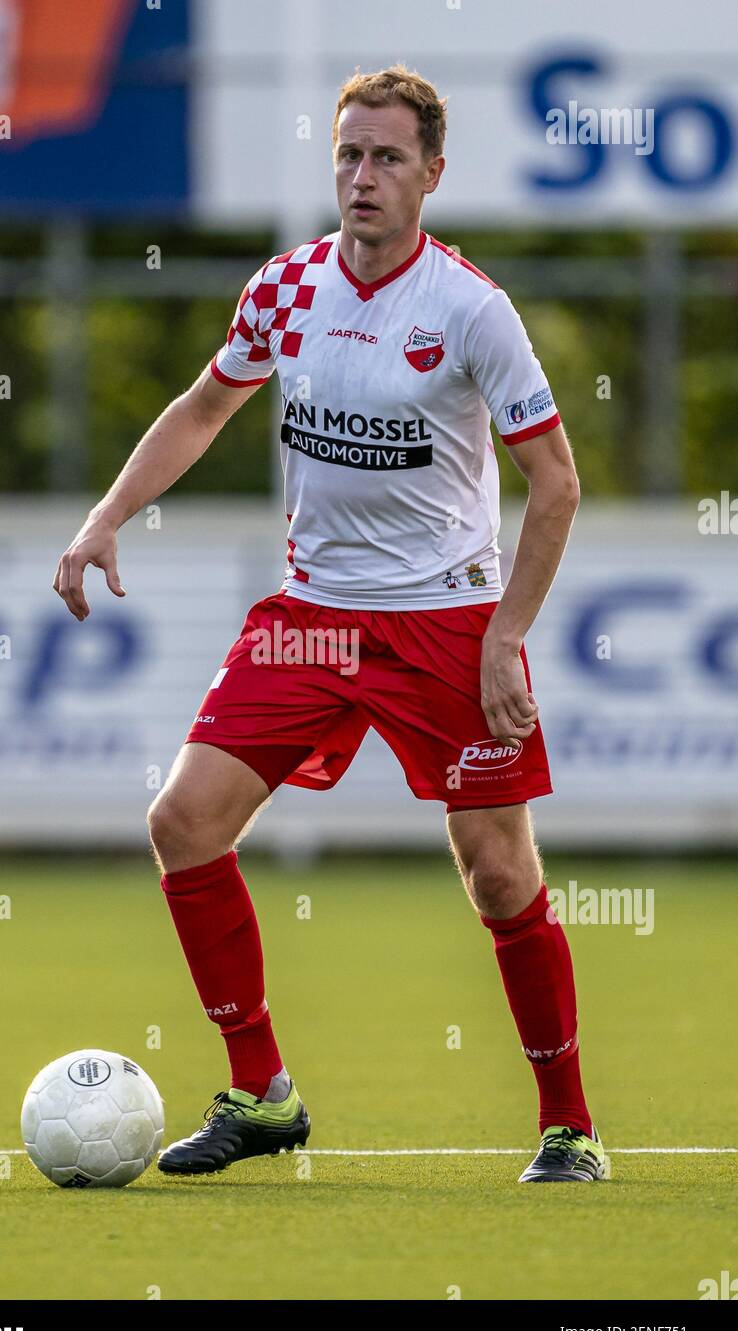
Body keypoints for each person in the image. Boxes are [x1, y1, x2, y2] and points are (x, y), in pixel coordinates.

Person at [54, 64, 606, 1185]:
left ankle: (566, 1124)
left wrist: (504, 635)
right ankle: (262, 1094)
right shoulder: (286, 286)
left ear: (430, 175)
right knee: (184, 821)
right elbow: (208, 402)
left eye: (387, 157)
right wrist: (109, 514)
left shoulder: (469, 310)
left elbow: (553, 484)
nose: (361, 176)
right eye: (348, 154)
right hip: (309, 619)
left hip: (445, 624)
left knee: (497, 873)